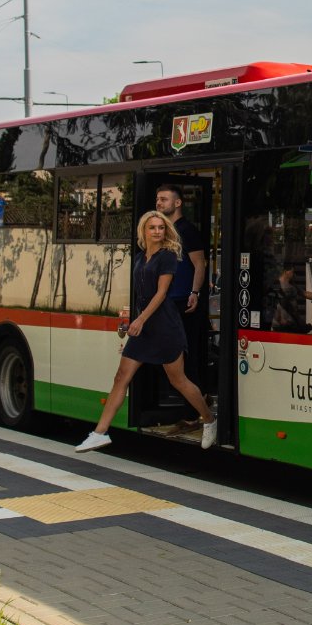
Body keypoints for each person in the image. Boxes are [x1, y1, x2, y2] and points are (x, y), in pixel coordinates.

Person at [76, 211, 217, 453]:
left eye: (161, 228)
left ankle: (209, 419)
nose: (157, 232)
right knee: (121, 377)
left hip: (164, 326)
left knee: (178, 380)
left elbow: (161, 294)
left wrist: (140, 320)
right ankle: (99, 433)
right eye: (152, 227)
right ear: (144, 231)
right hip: (143, 326)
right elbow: (141, 293)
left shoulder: (168, 257)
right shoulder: (141, 258)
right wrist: (133, 317)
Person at [155, 184, 208, 380]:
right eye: (158, 199)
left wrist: (194, 293)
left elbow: (199, 264)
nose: (159, 203)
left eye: (164, 199)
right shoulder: (164, 231)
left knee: (184, 354)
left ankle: (194, 404)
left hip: (183, 303)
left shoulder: (187, 230)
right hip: (166, 301)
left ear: (178, 203)